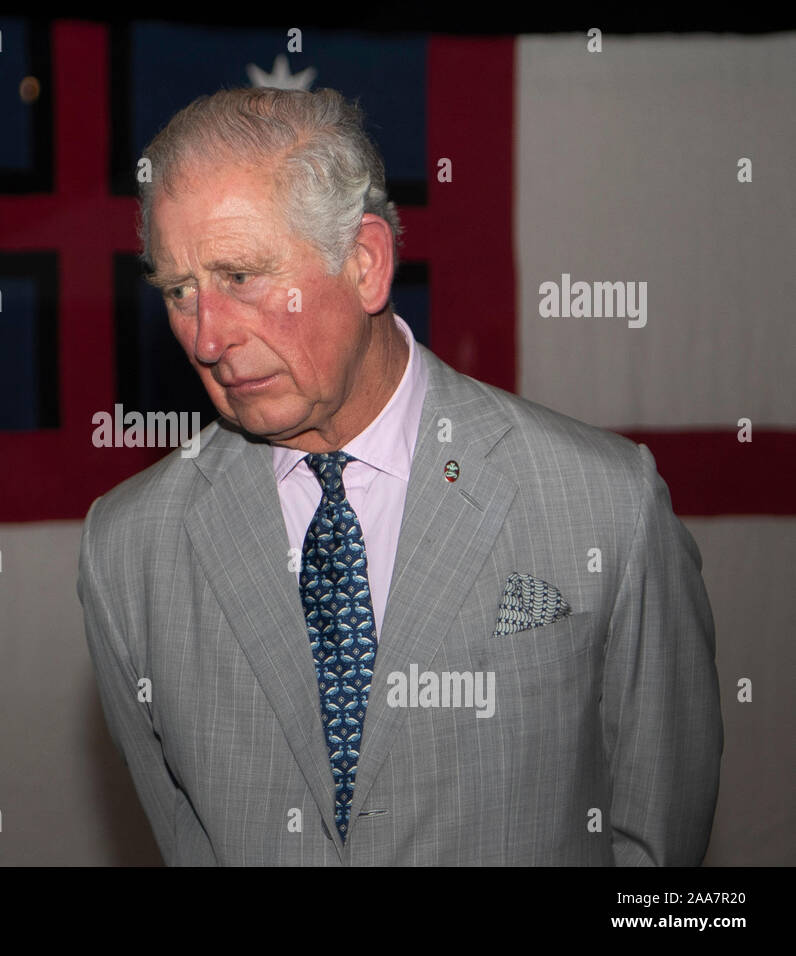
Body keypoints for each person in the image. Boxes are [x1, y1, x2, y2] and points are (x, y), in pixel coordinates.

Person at [77, 86, 722, 865]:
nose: (206, 337)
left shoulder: (603, 503)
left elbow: (658, 849)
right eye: (181, 291)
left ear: (366, 263)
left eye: (240, 276)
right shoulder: (128, 549)